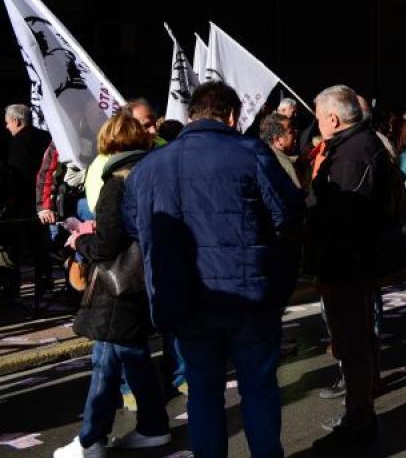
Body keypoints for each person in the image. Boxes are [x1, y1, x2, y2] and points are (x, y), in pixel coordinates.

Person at [125, 81, 304, 458]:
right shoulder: (251, 153)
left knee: (203, 394)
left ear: (191, 116)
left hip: (185, 296)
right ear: (233, 116)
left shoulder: (150, 166)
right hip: (248, 293)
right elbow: (288, 213)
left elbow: (134, 225)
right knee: (258, 388)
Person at [54, 113, 170, 458]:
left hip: (117, 285)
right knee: (131, 357)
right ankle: (153, 427)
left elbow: (106, 244)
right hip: (147, 279)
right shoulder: (156, 176)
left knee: (107, 364)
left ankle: (91, 441)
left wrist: (79, 243)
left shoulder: (117, 184)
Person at [307, 85, 397, 451]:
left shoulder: (352, 155)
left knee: (352, 344)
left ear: (332, 118)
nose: (316, 124)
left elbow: (345, 219)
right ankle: (359, 415)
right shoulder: (356, 146)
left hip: (347, 266)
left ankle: (358, 420)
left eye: (318, 117)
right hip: (352, 264)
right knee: (355, 342)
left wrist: (327, 269)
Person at [3, 104, 52, 301]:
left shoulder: (19, 142)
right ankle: (45, 281)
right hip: (44, 201)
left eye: (7, 123)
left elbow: (17, 177)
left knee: (11, 246)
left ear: (16, 121)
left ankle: (11, 288)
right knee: (40, 246)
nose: (6, 127)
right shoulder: (45, 137)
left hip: (24, 204)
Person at [259, 113, 302, 189]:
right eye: (290, 132)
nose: (296, 134)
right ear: (278, 140)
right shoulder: (286, 165)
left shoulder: (261, 155)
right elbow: (298, 195)